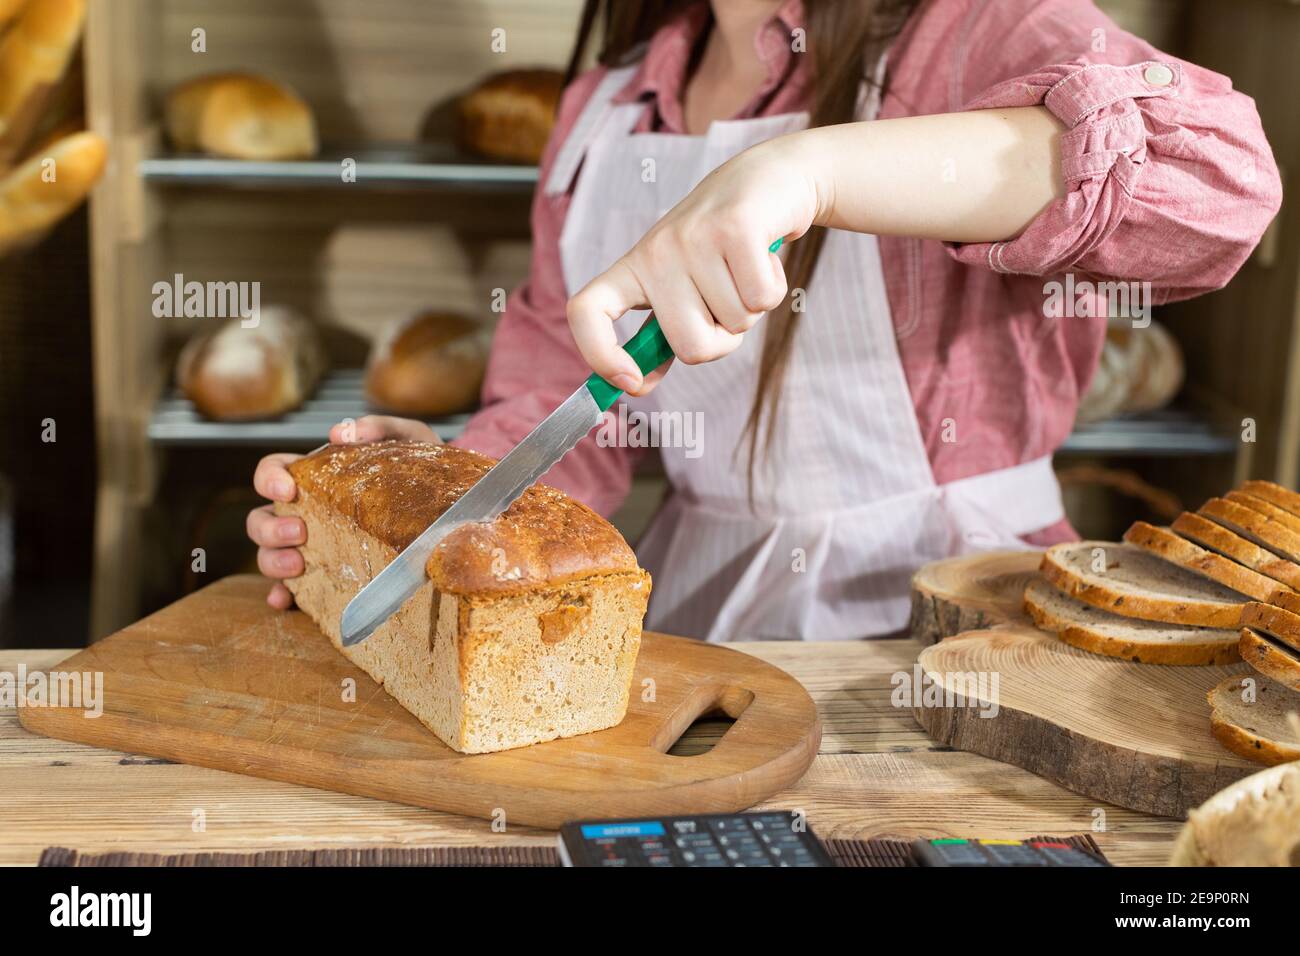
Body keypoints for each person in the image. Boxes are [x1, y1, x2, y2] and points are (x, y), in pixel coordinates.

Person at [249, 0, 1280, 641]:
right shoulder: (604, 108)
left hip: (978, 626)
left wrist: (810, 169)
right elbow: (567, 406)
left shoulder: (973, 31)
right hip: (700, 621)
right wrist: (443, 490)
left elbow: (1223, 186)